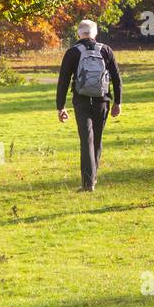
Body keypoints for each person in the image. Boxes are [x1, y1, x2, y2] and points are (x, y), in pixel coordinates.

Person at [55, 19, 122, 192]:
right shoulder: (106, 50)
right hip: (102, 101)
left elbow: (63, 81)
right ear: (95, 33)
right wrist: (118, 102)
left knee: (86, 140)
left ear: (79, 33)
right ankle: (93, 178)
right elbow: (116, 78)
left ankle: (88, 183)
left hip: (81, 101)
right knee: (97, 140)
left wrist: (60, 107)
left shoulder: (72, 52)